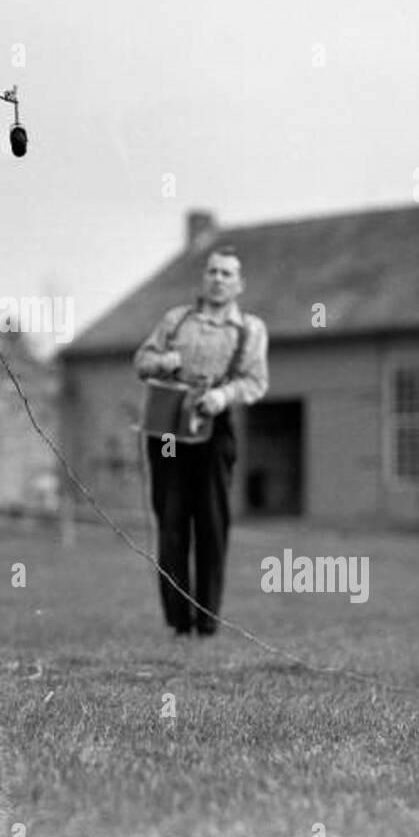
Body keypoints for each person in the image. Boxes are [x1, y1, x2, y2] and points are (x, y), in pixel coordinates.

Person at [133, 245, 269, 636]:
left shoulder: (250, 330)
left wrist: (222, 396)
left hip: (215, 425)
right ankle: (179, 622)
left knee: (211, 524)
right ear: (203, 277)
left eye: (227, 273)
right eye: (212, 271)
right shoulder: (175, 321)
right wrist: (163, 363)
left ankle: (207, 622)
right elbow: (141, 361)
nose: (218, 279)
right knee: (171, 522)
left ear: (239, 284)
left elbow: (256, 381)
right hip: (168, 426)